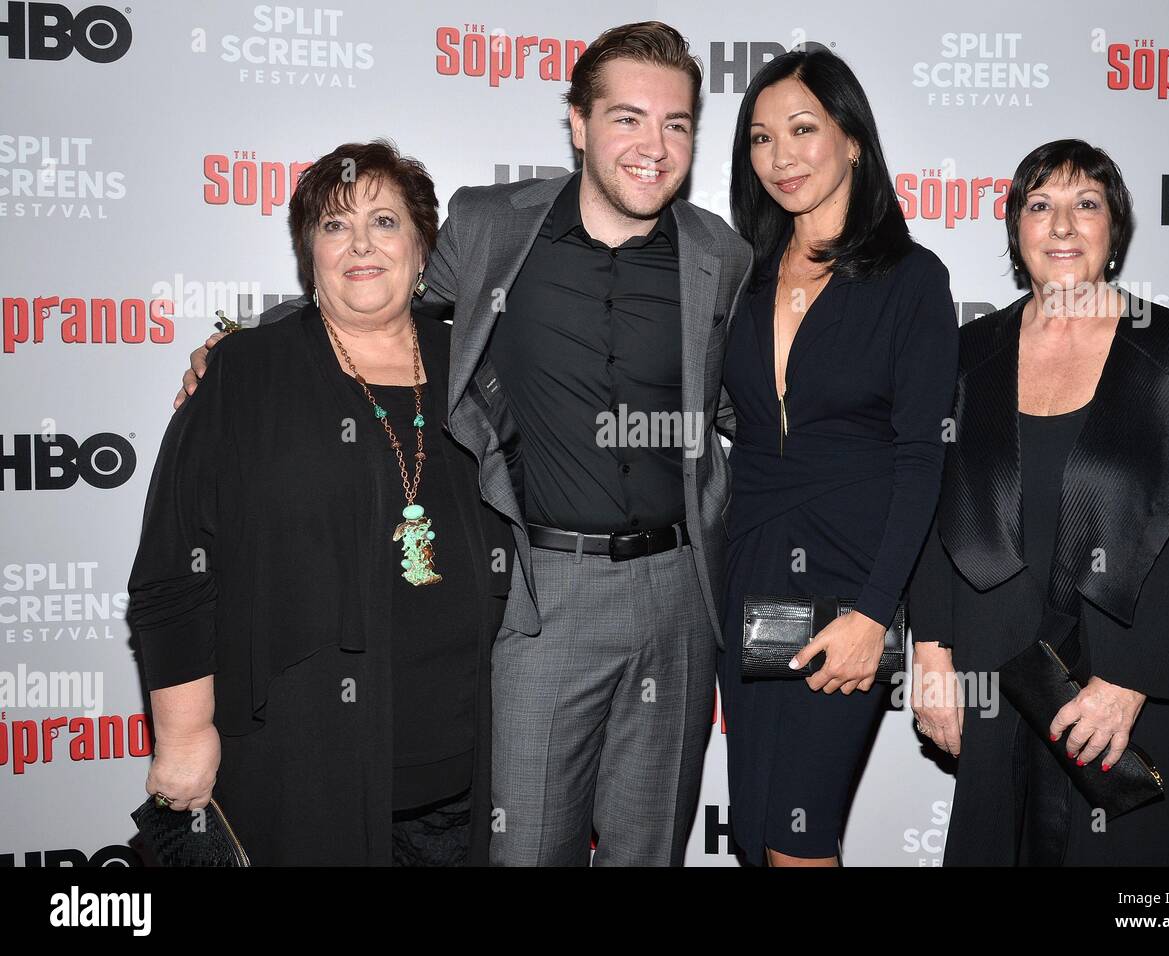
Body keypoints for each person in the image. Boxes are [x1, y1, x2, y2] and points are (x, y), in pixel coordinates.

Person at [177, 22, 753, 866]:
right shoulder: (493, 227)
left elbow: (750, 405)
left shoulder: (719, 254)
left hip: (679, 592)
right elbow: (380, 290)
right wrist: (244, 343)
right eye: (627, 118)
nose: (653, 146)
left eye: (676, 124)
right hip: (542, 591)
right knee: (526, 848)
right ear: (578, 123)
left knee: (651, 848)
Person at [130, 140, 512, 866]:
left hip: (465, 774)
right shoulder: (247, 372)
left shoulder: (475, 368)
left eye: (385, 222)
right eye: (335, 225)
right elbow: (174, 570)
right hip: (303, 766)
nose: (361, 244)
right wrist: (182, 736)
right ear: (310, 255)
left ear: (423, 249)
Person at [909, 139, 1169, 865]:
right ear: (1016, 231)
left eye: (1085, 204)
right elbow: (935, 510)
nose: (1062, 226)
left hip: (1131, 685)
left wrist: (1130, 680)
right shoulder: (971, 354)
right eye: (1041, 206)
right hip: (995, 669)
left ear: (1113, 229)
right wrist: (933, 655)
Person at [718, 49, 958, 866]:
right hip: (749, 567)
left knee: (799, 835)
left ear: (852, 139)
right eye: (760, 138)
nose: (780, 156)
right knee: (758, 832)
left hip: (852, 585)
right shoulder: (742, 276)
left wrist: (875, 614)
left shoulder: (911, 279)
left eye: (802, 129)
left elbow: (923, 461)